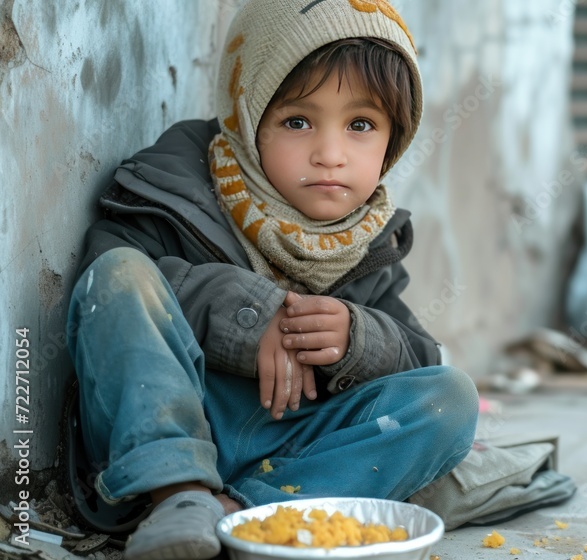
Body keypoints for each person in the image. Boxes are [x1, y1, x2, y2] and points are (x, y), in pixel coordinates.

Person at [64, 1, 479, 558]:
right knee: (117, 276)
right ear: (248, 114)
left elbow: (418, 357)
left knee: (451, 397)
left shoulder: (370, 241)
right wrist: (246, 314)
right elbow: (109, 285)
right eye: (298, 121)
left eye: (361, 125)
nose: (330, 154)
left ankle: (259, 512)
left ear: (394, 140)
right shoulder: (178, 190)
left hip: (291, 450)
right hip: (171, 425)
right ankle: (180, 498)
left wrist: (357, 340)